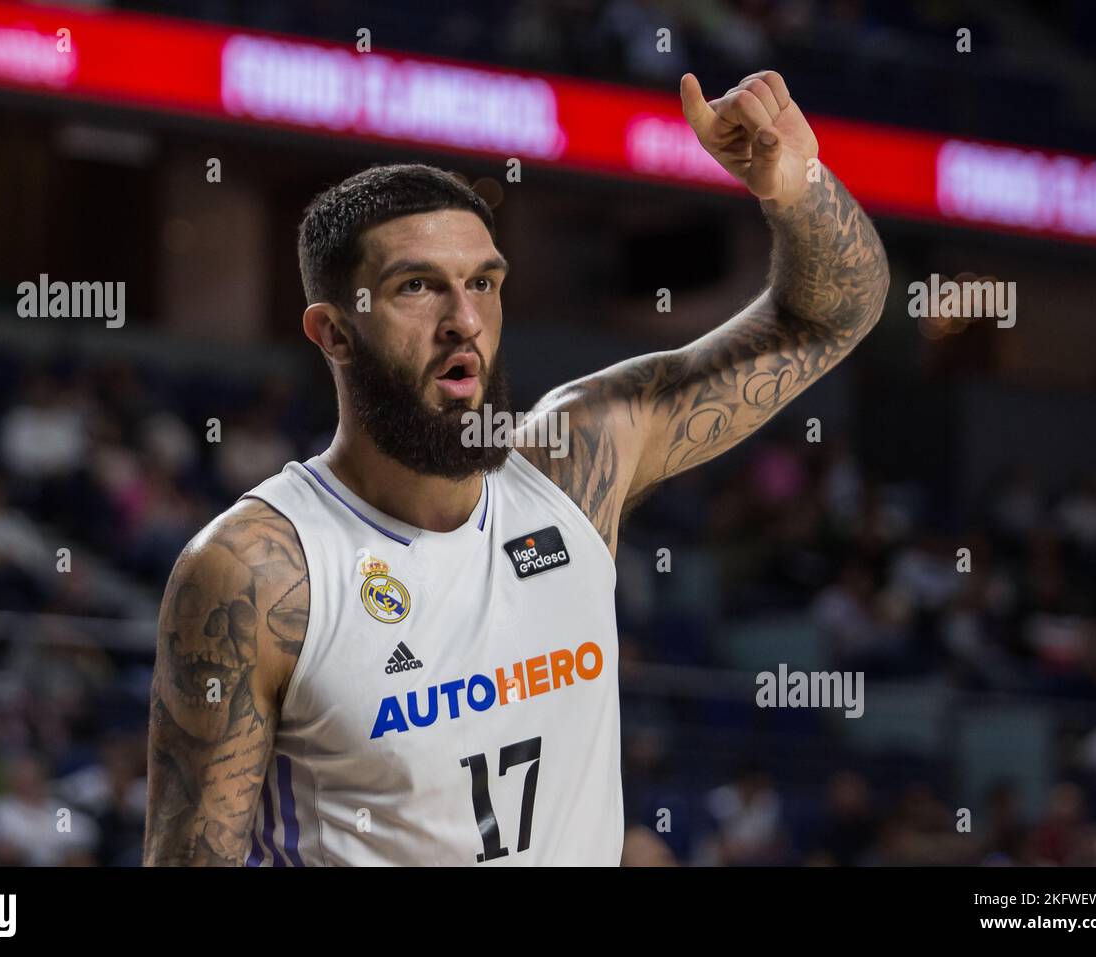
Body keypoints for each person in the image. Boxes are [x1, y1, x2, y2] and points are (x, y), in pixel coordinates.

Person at [144, 69, 890, 866]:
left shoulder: (577, 463)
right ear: (333, 332)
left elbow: (830, 314)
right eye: (418, 287)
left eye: (483, 283)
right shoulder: (256, 571)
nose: (463, 319)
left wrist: (798, 185)